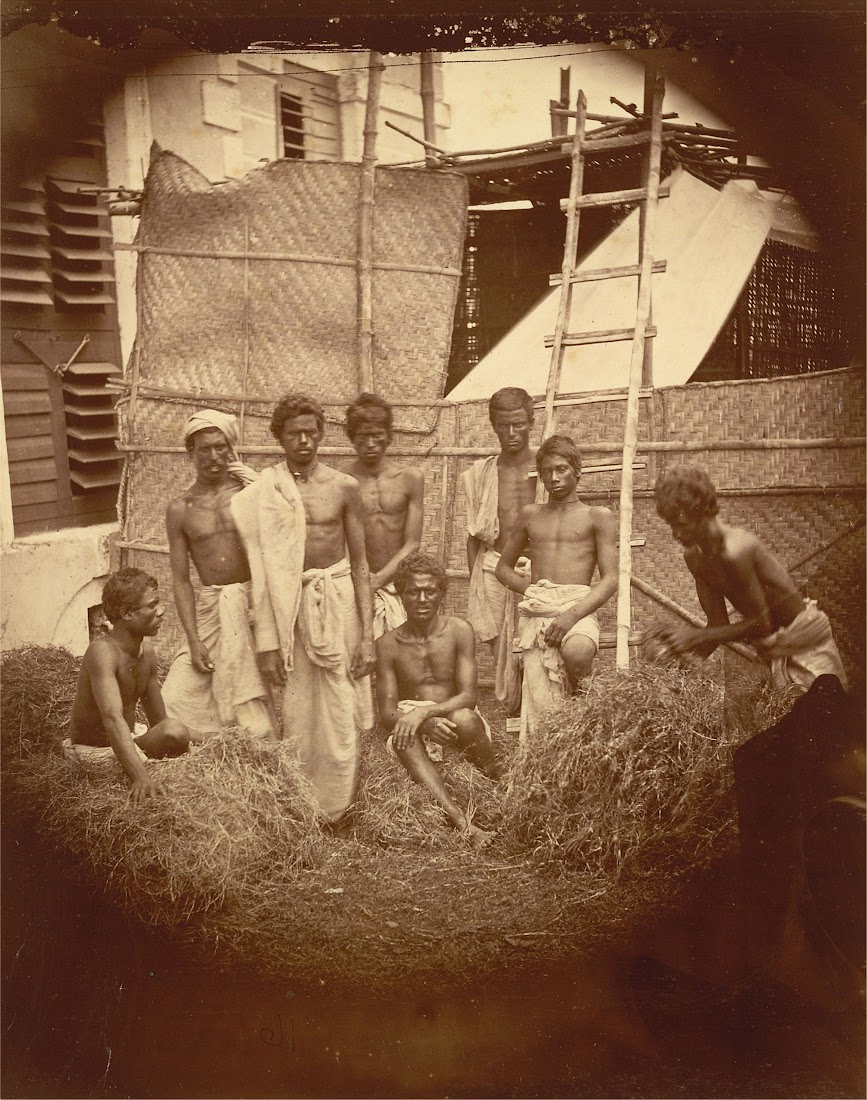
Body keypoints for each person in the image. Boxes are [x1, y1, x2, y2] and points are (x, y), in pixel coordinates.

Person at [231, 393, 375, 822]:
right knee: (298, 707)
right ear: (280, 437)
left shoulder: (344, 487)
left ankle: (343, 804)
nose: (304, 441)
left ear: (322, 434)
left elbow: (362, 563)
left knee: (343, 702)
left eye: (312, 433)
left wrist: (367, 636)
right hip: (289, 606)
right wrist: (267, 640)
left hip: (338, 600)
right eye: (295, 434)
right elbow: (259, 568)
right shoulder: (266, 490)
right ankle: (305, 803)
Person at [653, 465, 848, 692]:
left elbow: (762, 624)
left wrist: (694, 637)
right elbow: (718, 626)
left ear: (703, 512)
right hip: (772, 649)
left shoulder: (737, 551)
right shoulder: (695, 559)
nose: (676, 534)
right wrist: (675, 668)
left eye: (682, 524)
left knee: (826, 718)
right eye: (672, 525)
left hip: (805, 642)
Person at [162, 409, 275, 739]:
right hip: (215, 608)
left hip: (256, 606)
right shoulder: (181, 509)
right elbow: (181, 579)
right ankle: (219, 744)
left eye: (221, 446)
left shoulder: (251, 493)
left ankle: (256, 744)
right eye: (205, 449)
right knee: (174, 700)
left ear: (232, 447)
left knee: (260, 698)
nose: (214, 456)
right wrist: (194, 640)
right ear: (191, 452)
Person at [496, 434, 618, 739]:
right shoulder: (530, 515)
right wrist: (531, 591)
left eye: (562, 469)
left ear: (578, 470)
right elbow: (502, 568)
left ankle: (591, 708)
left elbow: (611, 579)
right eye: (547, 471)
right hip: (540, 605)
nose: (554, 478)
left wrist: (570, 616)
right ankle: (557, 733)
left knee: (576, 651)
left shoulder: (597, 516)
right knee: (545, 704)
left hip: (576, 605)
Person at [376, 554, 499, 848]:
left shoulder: (459, 630)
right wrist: (423, 721)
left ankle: (496, 784)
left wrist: (427, 712)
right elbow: (386, 712)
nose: (421, 599)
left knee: (466, 719)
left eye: (430, 591)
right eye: (413, 591)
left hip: (456, 718)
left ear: (441, 593)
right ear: (400, 594)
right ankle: (463, 823)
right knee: (403, 736)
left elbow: (469, 697)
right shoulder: (387, 645)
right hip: (416, 727)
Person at [65, 568, 190, 803]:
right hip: (93, 752)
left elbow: (160, 722)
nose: (161, 611)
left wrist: (222, 739)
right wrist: (141, 777)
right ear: (126, 613)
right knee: (175, 732)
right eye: (152, 606)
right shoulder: (102, 652)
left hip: (129, 739)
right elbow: (112, 719)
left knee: (176, 732)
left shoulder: (147, 653)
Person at [462, 387, 537, 713]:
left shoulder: (547, 468)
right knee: (501, 650)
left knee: (538, 646)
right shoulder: (482, 474)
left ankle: (543, 722)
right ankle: (514, 718)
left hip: (538, 568)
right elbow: (474, 537)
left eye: (519, 424)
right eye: (504, 425)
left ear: (531, 422)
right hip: (493, 566)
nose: (511, 433)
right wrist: (477, 580)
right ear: (493, 424)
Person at [345, 393, 424, 639]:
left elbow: (412, 543)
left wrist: (378, 580)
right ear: (351, 439)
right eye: (362, 437)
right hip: (353, 586)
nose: (370, 444)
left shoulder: (410, 479)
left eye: (376, 436)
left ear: (389, 437)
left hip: (398, 585)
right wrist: (363, 584)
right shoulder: (342, 482)